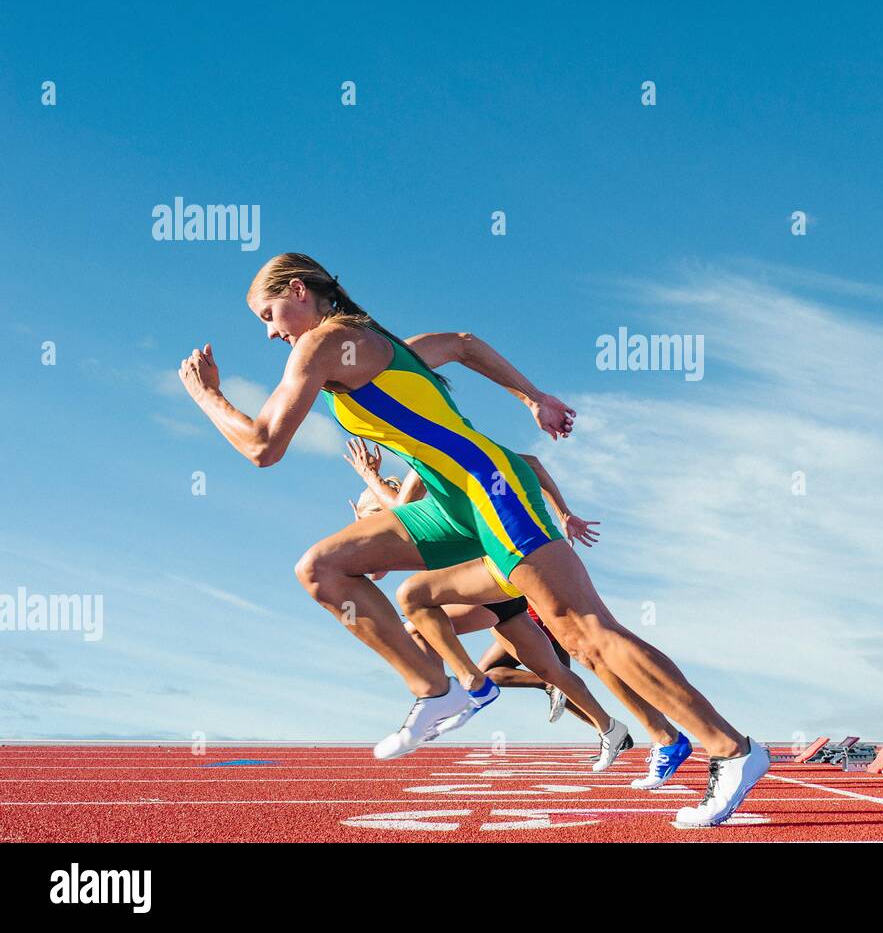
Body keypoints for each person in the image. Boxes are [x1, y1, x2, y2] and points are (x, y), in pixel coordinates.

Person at [179, 252, 768, 826]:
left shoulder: (323, 342)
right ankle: (437, 689)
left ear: (299, 293)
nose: (270, 332)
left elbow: (263, 445)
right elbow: (460, 342)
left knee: (587, 634)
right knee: (324, 568)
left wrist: (207, 394)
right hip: (453, 504)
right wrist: (533, 397)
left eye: (267, 314)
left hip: (490, 490)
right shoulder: (379, 346)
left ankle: (733, 750)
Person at [344, 440, 632, 770]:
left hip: (490, 580)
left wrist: (370, 478)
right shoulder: (418, 502)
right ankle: (610, 728)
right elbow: (376, 570)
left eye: (369, 524)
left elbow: (398, 511)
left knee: (417, 622)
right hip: (499, 588)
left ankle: (447, 696)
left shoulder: (426, 473)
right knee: (551, 670)